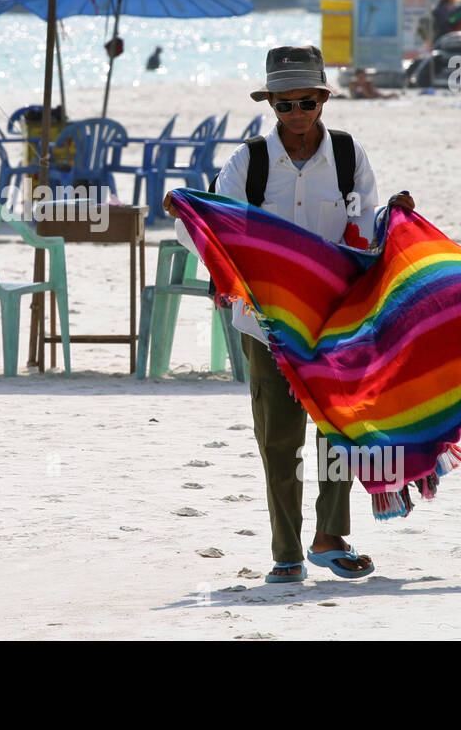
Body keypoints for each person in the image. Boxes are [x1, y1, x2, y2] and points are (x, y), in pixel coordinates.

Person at [163, 45, 416, 584]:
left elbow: (365, 226)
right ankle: (286, 552)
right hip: (266, 323)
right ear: (270, 103)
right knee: (279, 437)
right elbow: (204, 227)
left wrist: (394, 218)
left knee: (337, 428)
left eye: (306, 101)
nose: (296, 113)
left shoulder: (348, 156)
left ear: (323, 99)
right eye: (285, 103)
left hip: (334, 323)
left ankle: (330, 536)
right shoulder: (248, 162)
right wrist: (187, 212)